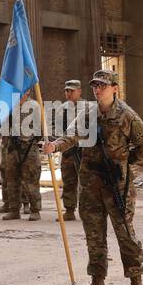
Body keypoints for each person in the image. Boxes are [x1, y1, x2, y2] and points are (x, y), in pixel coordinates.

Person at [42, 70, 143, 285]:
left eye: (102, 85)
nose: (97, 89)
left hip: (117, 186)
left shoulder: (127, 115)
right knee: (94, 234)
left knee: (125, 233)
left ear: (115, 88)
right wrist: (55, 146)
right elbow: (71, 136)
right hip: (90, 183)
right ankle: (97, 282)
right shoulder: (88, 113)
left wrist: (124, 163)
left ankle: (136, 283)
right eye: (95, 85)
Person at [0, 94, 42, 221]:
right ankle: (14, 210)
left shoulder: (34, 106)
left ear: (28, 91)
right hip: (13, 147)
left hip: (29, 147)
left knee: (31, 179)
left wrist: (29, 140)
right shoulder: (10, 106)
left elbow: (40, 128)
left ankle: (35, 210)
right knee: (11, 179)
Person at [57, 79, 84, 222]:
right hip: (68, 151)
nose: (68, 93)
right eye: (66, 91)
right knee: (68, 180)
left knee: (87, 182)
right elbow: (56, 127)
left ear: (79, 91)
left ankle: (88, 210)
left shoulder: (88, 108)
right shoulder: (62, 109)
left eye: (71, 91)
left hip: (84, 151)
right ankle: (69, 210)